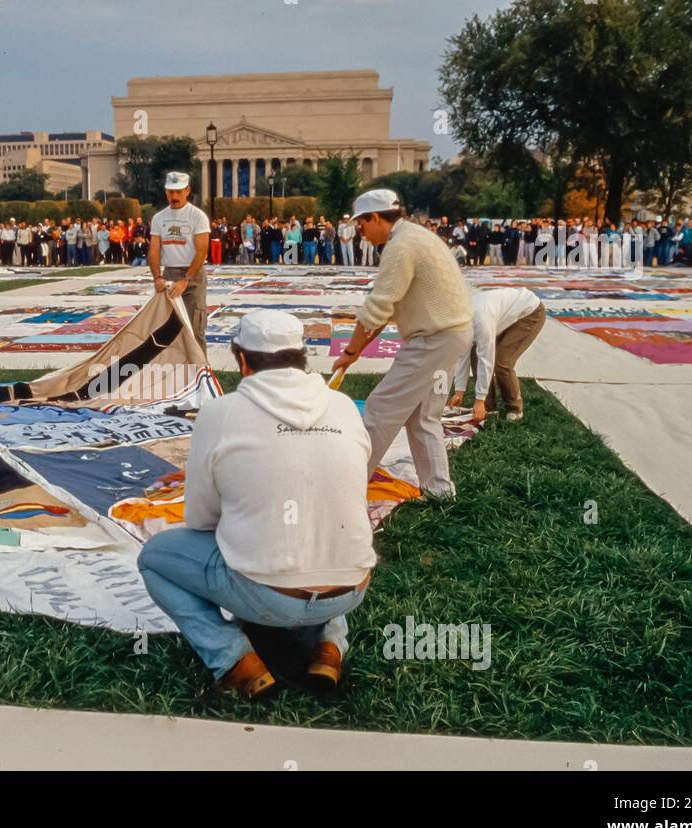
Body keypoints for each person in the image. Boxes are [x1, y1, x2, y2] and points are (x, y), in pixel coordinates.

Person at [138, 309, 374, 698]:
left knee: (154, 558)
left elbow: (200, 518)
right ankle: (329, 646)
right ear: (302, 358)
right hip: (350, 589)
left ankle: (234, 660)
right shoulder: (345, 406)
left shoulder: (220, 412)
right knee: (327, 521)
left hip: (267, 594)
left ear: (243, 361)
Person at [331, 189, 472, 498]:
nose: (361, 232)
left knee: (381, 409)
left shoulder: (400, 246)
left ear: (376, 218)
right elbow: (386, 310)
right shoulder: (415, 236)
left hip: (434, 338)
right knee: (423, 417)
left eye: (362, 224)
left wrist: (351, 350)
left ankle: (346, 487)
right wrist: (353, 354)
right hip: (453, 334)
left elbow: (376, 308)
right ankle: (439, 492)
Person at [449, 287, 545, 423]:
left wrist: (479, 399)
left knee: (502, 361)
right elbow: (463, 355)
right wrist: (459, 391)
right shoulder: (460, 322)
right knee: (475, 357)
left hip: (530, 313)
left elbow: (487, 360)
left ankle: (515, 409)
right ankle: (488, 407)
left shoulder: (481, 321)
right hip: (505, 314)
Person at [149, 171, 211, 353]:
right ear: (166, 192)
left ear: (187, 191)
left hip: (193, 275)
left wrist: (186, 279)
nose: (174, 196)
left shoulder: (197, 216)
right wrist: (157, 277)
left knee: (195, 329)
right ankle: (175, 371)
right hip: (169, 273)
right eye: (170, 192)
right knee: (169, 329)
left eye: (178, 192)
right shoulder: (159, 218)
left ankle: (200, 373)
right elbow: (154, 250)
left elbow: (202, 251)